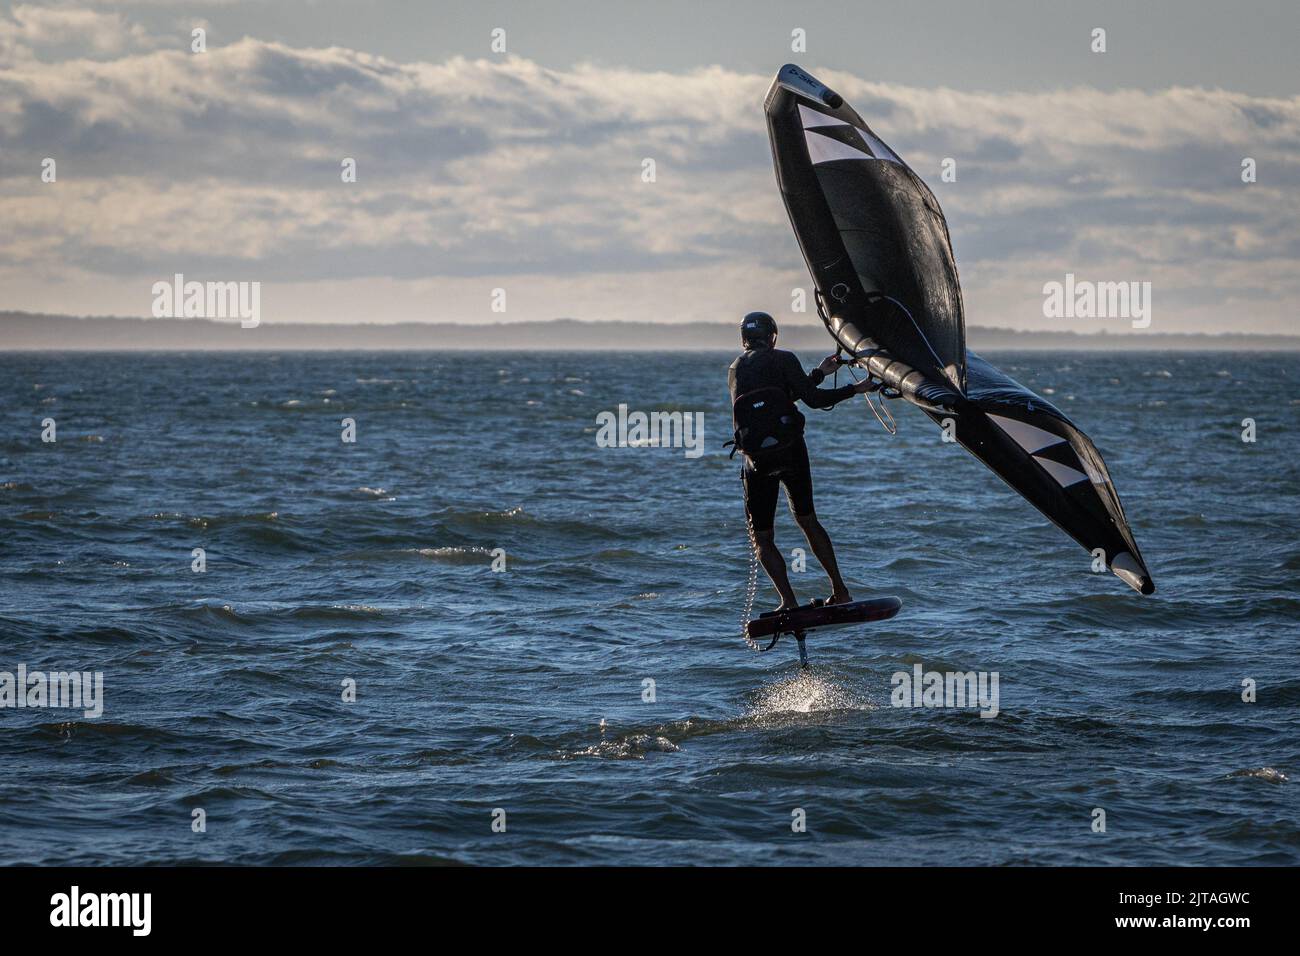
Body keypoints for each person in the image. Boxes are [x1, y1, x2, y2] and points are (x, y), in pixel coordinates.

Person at [728, 311, 877, 613]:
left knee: (763, 538)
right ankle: (840, 590)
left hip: (756, 461)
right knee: (807, 520)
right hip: (791, 452)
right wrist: (856, 389)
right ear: (773, 336)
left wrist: (820, 373)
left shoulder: (734, 370)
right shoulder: (783, 358)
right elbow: (812, 399)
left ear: (744, 338)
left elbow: (778, 399)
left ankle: (789, 601)